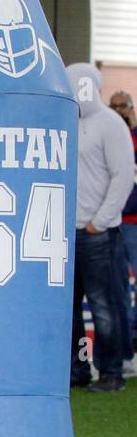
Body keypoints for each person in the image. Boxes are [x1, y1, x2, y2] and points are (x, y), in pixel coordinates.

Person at [66, 64, 132, 392]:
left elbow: (122, 177)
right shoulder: (64, 123)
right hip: (67, 235)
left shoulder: (111, 124)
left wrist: (99, 222)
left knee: (104, 307)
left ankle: (110, 372)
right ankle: (78, 370)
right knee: (71, 311)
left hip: (98, 235)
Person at [109, 90, 137, 374]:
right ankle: (125, 349)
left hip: (134, 223)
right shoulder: (106, 132)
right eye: (114, 105)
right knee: (117, 289)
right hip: (115, 223)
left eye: (123, 106)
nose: (119, 110)